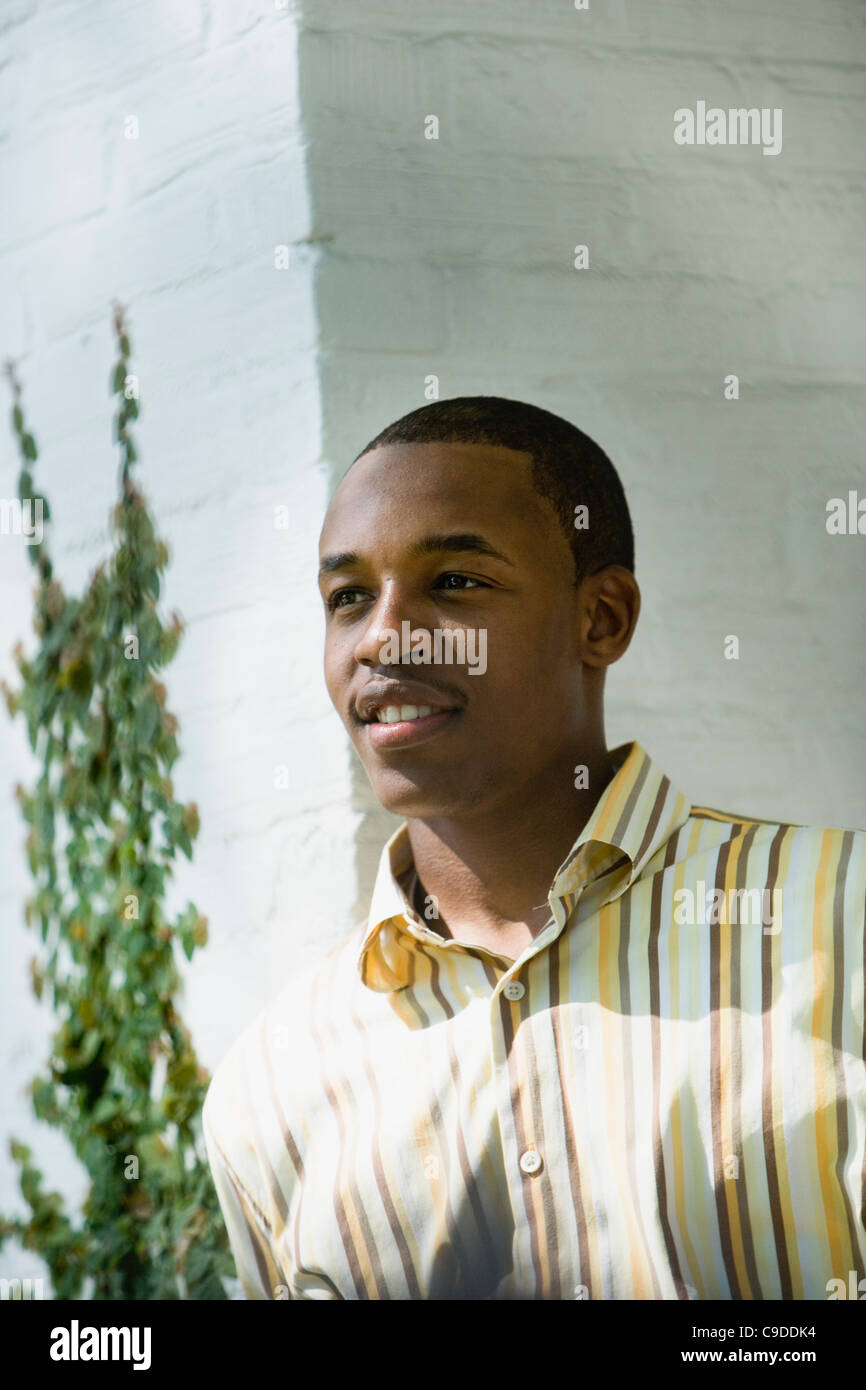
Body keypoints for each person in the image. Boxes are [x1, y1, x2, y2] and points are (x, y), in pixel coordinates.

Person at [203, 396, 866, 1300]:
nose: (385, 637)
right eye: (348, 597)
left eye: (457, 583)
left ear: (603, 619)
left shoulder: (842, 920)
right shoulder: (272, 1083)